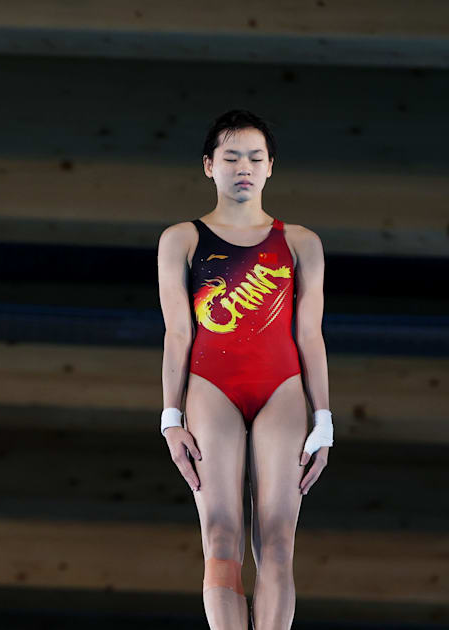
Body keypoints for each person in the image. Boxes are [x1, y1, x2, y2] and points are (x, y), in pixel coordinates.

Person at [156, 110, 333, 629]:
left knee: (277, 540)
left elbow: (310, 335)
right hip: (211, 388)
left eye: (255, 158)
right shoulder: (182, 240)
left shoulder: (300, 242)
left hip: (282, 389)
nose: (244, 168)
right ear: (208, 166)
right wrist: (170, 419)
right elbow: (178, 334)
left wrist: (324, 420)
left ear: (270, 166)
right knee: (220, 535)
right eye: (231, 157)